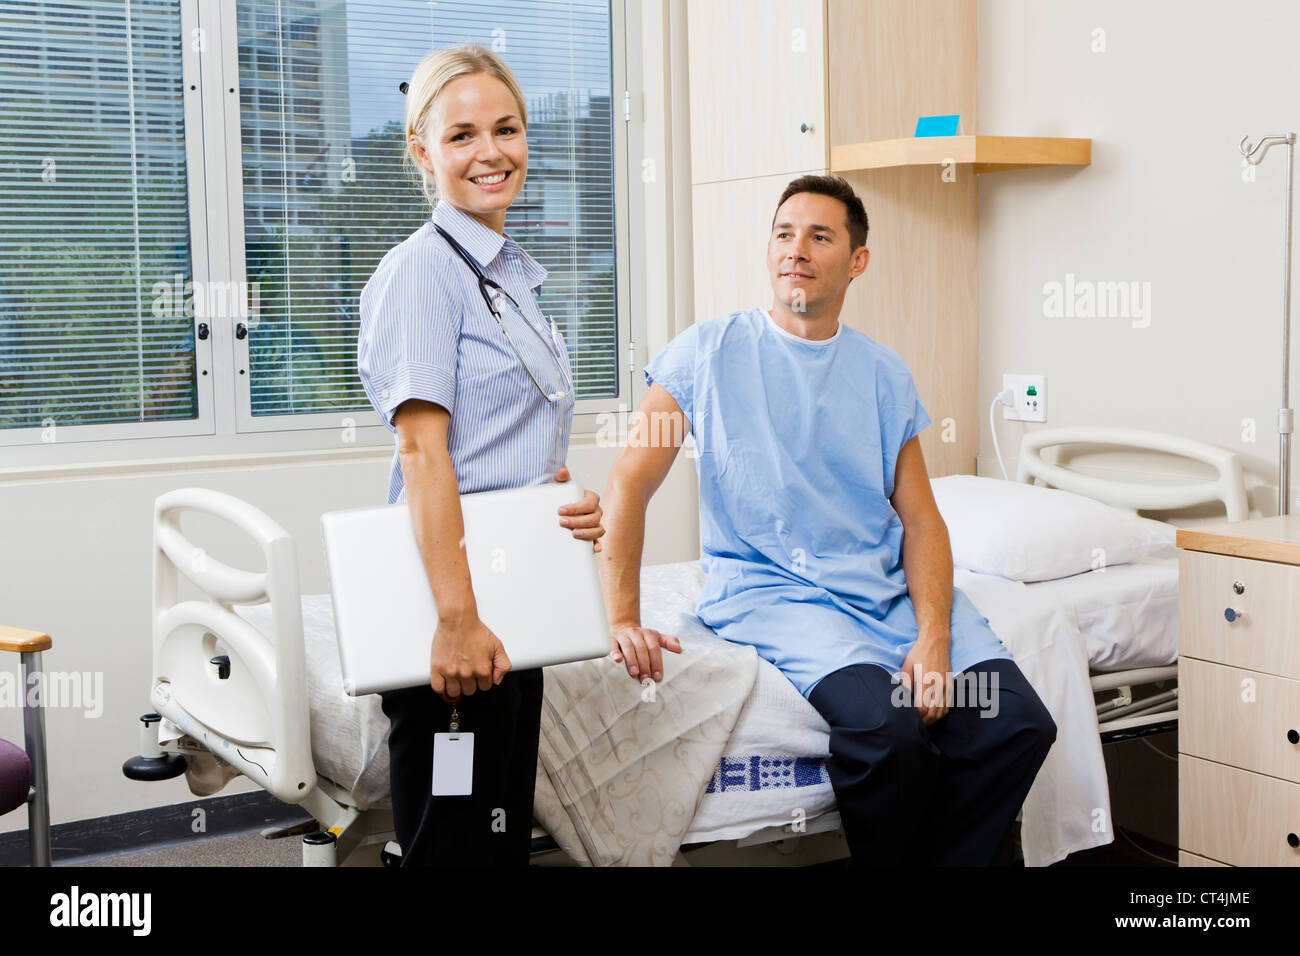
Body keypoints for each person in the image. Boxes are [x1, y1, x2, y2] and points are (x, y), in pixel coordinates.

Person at [598, 173, 1057, 865]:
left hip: (883, 592)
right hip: (775, 595)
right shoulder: (707, 354)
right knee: (889, 728)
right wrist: (623, 616)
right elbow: (629, 484)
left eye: (820, 235)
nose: (796, 250)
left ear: (857, 260)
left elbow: (924, 522)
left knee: (1016, 722)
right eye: (784, 233)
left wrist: (934, 638)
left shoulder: (882, 373)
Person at [356, 45, 605, 867]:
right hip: (459, 604)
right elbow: (425, 456)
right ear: (423, 153)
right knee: (454, 851)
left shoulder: (505, 275)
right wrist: (457, 621)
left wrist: (558, 496)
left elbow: (504, 436)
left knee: (495, 846)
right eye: (461, 135)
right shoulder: (423, 273)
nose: (490, 152)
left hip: (516, 592)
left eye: (507, 129)